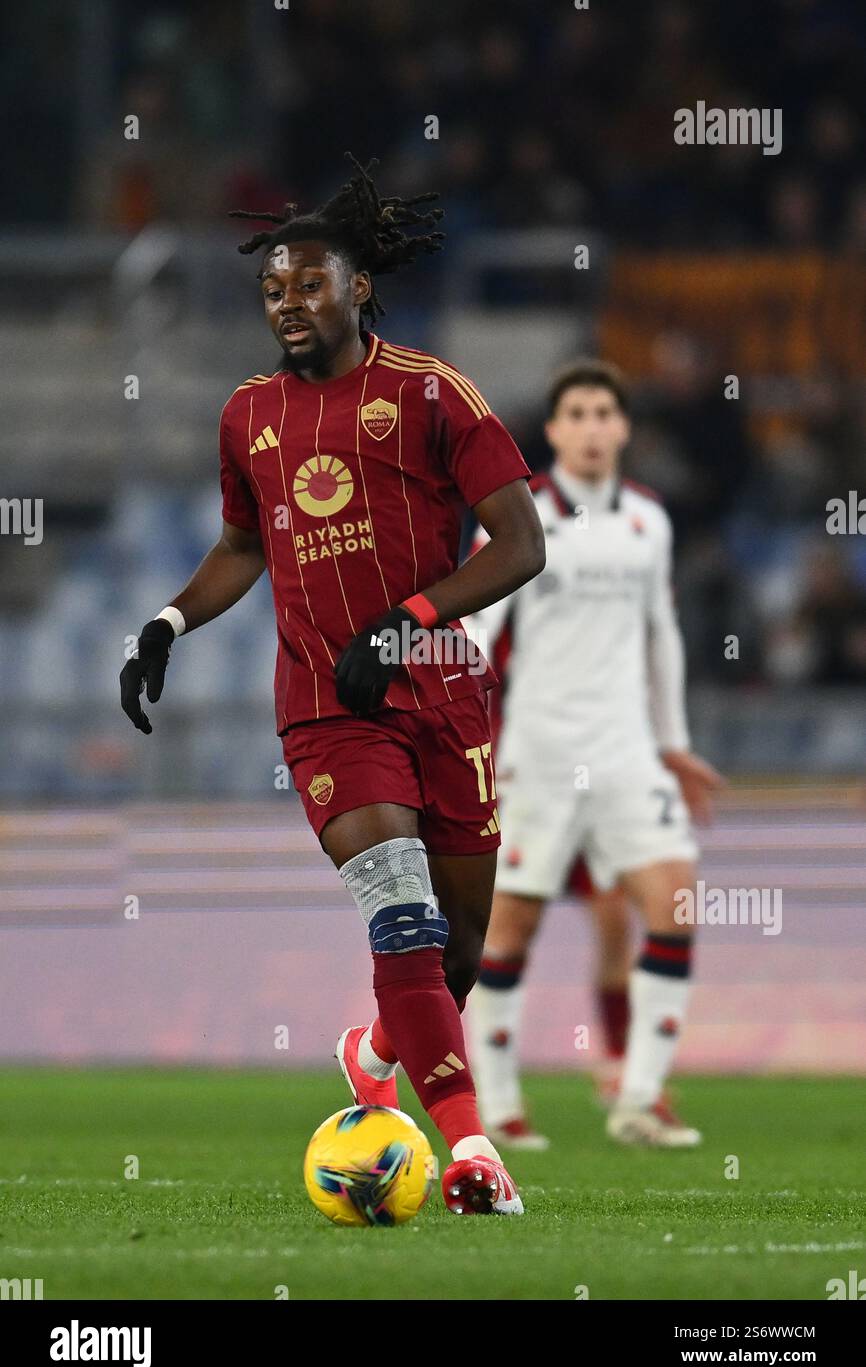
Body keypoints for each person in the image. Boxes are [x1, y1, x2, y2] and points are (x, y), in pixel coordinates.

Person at [120, 154, 545, 1214]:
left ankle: (376, 1045)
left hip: (444, 689)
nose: (288, 302)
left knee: (454, 954)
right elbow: (238, 545)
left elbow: (521, 543)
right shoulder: (247, 417)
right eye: (272, 289)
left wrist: (410, 622)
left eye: (308, 282)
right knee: (398, 911)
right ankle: (468, 1153)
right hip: (328, 706)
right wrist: (169, 620)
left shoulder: (430, 393)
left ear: (357, 286)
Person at [465, 359, 723, 1148]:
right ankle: (500, 1108)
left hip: (626, 755)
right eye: (574, 413)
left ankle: (640, 1099)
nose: (590, 427)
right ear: (552, 433)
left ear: (623, 428)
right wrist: (463, 738)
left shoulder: (650, 521)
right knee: (508, 931)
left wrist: (673, 746)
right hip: (537, 756)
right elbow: (475, 631)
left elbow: (662, 637)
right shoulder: (516, 520)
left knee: (673, 906)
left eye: (603, 412)